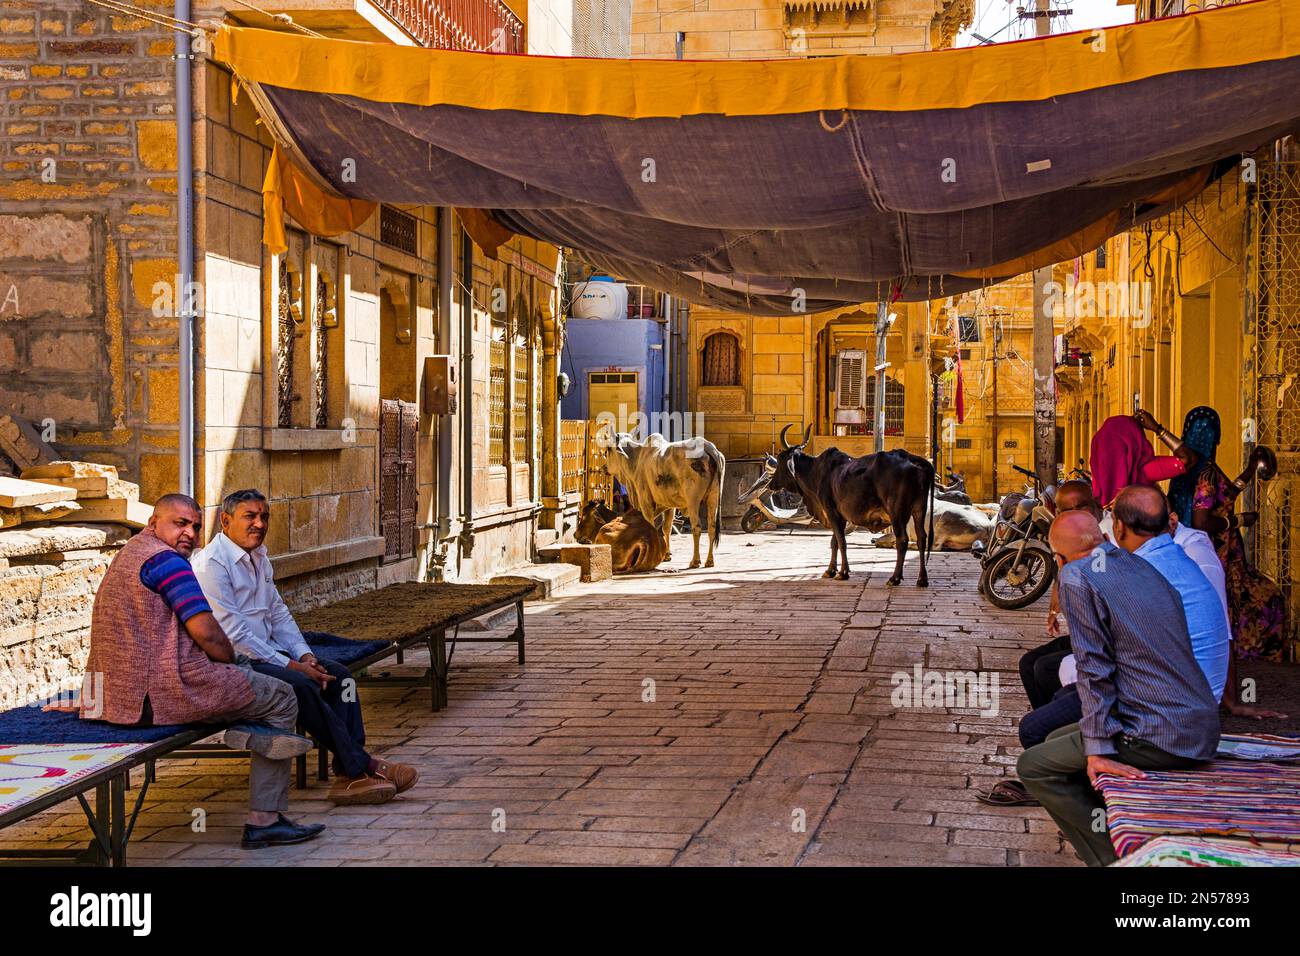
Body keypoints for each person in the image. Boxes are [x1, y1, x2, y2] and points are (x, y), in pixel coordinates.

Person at [81, 494, 325, 849]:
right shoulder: (170, 564)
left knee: (252, 675)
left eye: (195, 526)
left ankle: (251, 731)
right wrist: (232, 661)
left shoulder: (128, 554)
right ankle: (264, 819)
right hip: (159, 694)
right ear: (154, 524)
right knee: (281, 694)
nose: (190, 533)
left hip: (111, 696)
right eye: (180, 524)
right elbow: (208, 634)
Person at [1017, 511, 1220, 867]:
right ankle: (1107, 825)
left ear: (1059, 559)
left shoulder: (1077, 577)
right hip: (1199, 722)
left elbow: (1093, 670)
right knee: (1051, 741)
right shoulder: (1133, 563)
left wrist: (1097, 750)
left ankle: (1114, 858)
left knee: (1035, 765)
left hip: (1160, 733)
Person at [192, 489, 418, 805]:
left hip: (270, 654)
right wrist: (293, 667)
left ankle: (347, 774)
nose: (259, 524)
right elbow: (234, 634)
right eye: (250, 517)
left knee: (340, 678)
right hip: (236, 663)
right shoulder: (211, 566)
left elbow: (278, 613)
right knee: (302, 685)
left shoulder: (259, 557)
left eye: (264, 516)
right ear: (225, 521)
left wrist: (305, 655)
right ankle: (362, 766)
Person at [1177, 405, 1291, 662]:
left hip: (1219, 553)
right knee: (1261, 597)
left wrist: (1250, 471)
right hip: (1218, 554)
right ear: (1216, 437)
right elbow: (1202, 521)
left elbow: (1225, 493)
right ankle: (1240, 657)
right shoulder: (1205, 474)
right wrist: (1239, 520)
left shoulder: (1194, 470)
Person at [1109, 485, 1228, 701]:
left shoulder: (1146, 567)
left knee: (1062, 672)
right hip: (1195, 697)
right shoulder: (1176, 556)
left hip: (1173, 706)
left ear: (1119, 527)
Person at [1089, 411, 1196, 511]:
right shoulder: (1144, 470)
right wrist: (1157, 429)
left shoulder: (1093, 489)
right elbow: (1188, 459)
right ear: (1132, 440)